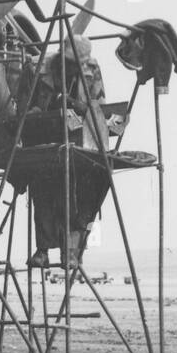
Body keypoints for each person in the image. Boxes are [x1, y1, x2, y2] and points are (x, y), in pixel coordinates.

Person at [16, 33, 110, 268]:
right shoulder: (36, 68)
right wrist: (46, 108)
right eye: (67, 63)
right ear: (60, 57)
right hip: (43, 137)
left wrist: (81, 107)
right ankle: (43, 250)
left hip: (79, 140)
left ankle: (72, 251)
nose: (71, 69)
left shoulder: (91, 69)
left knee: (88, 188)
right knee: (44, 188)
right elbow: (22, 110)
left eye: (75, 65)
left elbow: (100, 107)